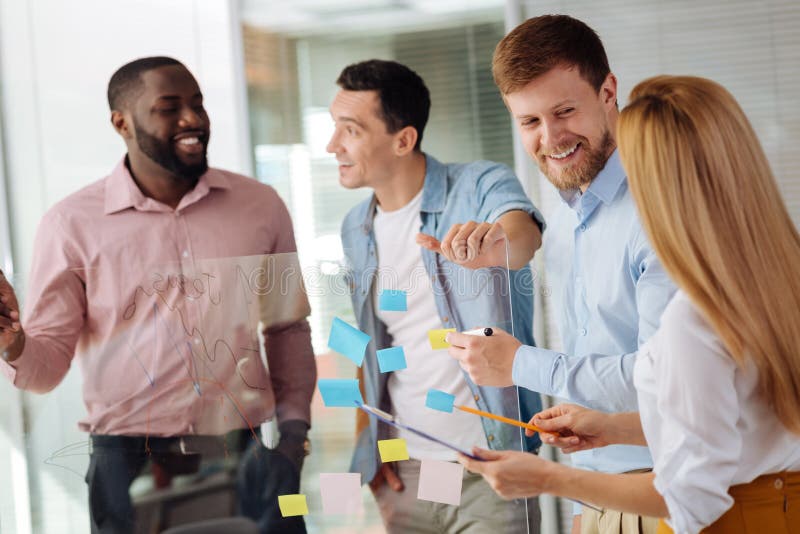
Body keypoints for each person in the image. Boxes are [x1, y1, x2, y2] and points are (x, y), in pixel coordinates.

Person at [458, 74, 800, 534]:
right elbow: (738, 419)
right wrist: (612, 428)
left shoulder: (693, 316)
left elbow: (689, 496)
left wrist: (547, 478)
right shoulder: (778, 277)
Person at [0, 56, 316, 534]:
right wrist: (12, 342)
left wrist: (293, 438)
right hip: (127, 466)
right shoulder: (70, 226)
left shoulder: (260, 205)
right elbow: (47, 367)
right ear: (121, 123)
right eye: (170, 107)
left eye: (197, 104)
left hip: (248, 451)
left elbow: (286, 327)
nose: (192, 119)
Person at [445, 15, 676, 534]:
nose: (550, 138)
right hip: (598, 497)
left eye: (564, 111)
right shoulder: (573, 208)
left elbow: (662, 383)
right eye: (529, 122)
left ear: (608, 91)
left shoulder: (658, 209)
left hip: (662, 491)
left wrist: (519, 364)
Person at [329, 59, 544, 533]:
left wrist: (490, 244)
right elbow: (369, 345)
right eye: (334, 128)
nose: (332, 146)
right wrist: (369, 445)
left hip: (491, 463)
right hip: (409, 470)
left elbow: (522, 235)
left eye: (350, 130)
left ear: (403, 140)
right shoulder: (355, 228)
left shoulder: (479, 185)